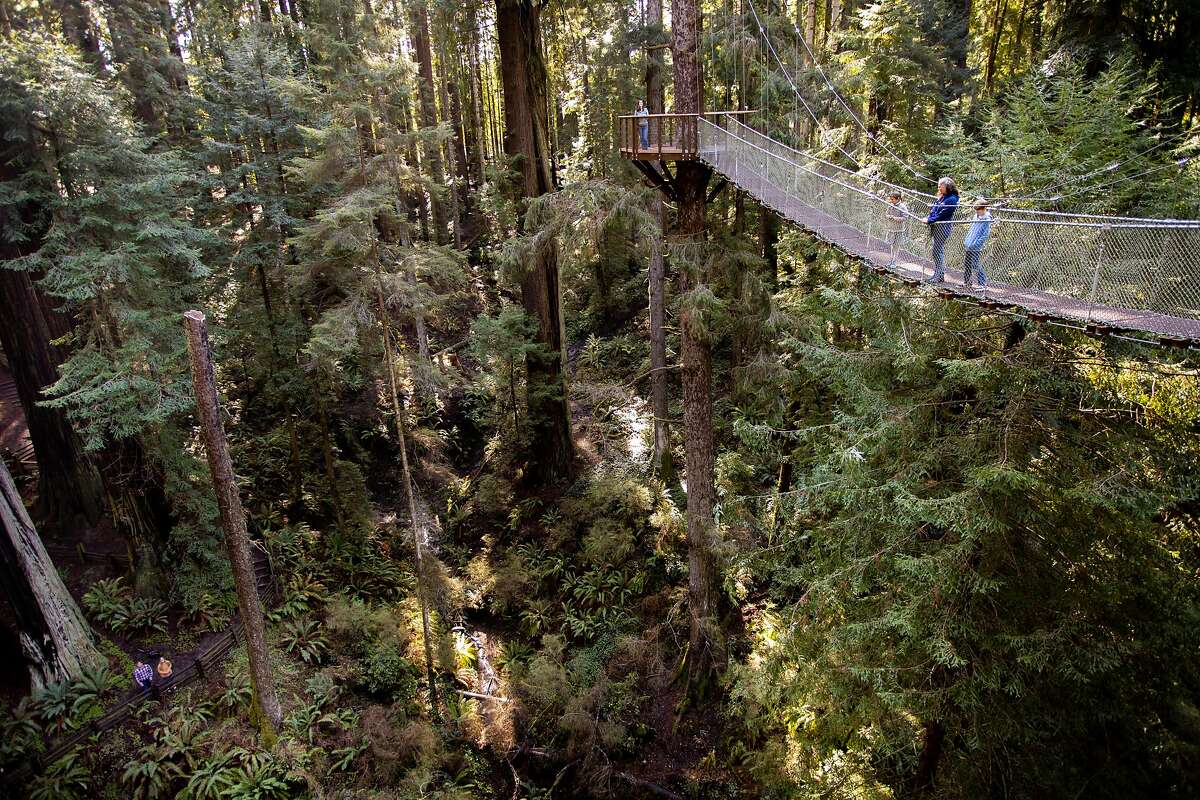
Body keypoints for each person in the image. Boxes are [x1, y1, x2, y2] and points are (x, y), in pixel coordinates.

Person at [924, 177, 959, 283]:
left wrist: (929, 220)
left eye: (941, 186)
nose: (939, 187)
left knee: (936, 251)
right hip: (936, 227)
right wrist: (929, 218)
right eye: (938, 185)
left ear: (947, 186)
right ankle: (938, 274)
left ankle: (939, 275)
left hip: (943, 228)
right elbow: (935, 209)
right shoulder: (942, 197)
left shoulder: (952, 199)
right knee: (937, 251)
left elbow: (943, 214)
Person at [962, 198, 993, 288]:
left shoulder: (986, 219)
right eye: (976, 210)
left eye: (978, 210)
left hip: (976, 246)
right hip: (969, 244)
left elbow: (985, 235)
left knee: (975, 264)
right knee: (967, 264)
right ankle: (967, 283)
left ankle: (982, 284)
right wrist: (968, 241)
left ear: (984, 209)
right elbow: (972, 229)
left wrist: (976, 244)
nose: (977, 212)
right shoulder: (976, 216)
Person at [885, 190, 909, 267]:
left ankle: (894, 262)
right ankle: (891, 260)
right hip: (891, 229)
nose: (891, 201)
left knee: (896, 246)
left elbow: (905, 217)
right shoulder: (890, 205)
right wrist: (889, 217)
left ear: (898, 198)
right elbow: (887, 214)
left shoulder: (902, 207)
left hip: (899, 230)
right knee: (892, 246)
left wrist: (895, 218)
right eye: (891, 199)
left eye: (893, 199)